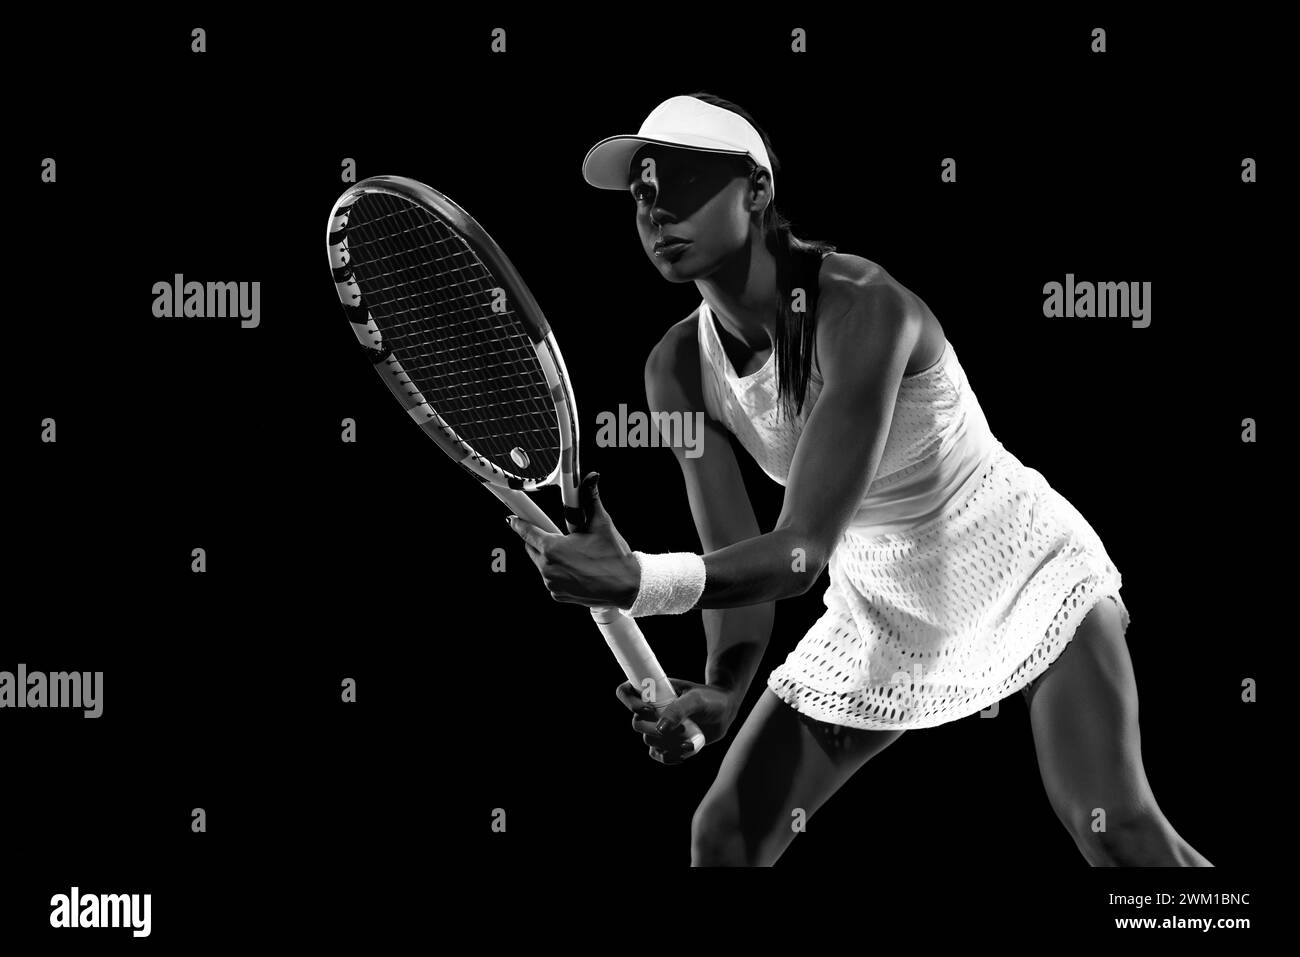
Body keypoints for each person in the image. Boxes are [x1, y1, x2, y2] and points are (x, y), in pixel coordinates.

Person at [506, 92, 1212, 867]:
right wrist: (720, 693)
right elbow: (743, 550)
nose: (655, 211)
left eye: (681, 183)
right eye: (641, 193)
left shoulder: (861, 306)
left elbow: (799, 551)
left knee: (1119, 833)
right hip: (879, 602)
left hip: (1018, 564)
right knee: (724, 836)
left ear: (757, 189)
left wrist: (637, 579)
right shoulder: (676, 369)